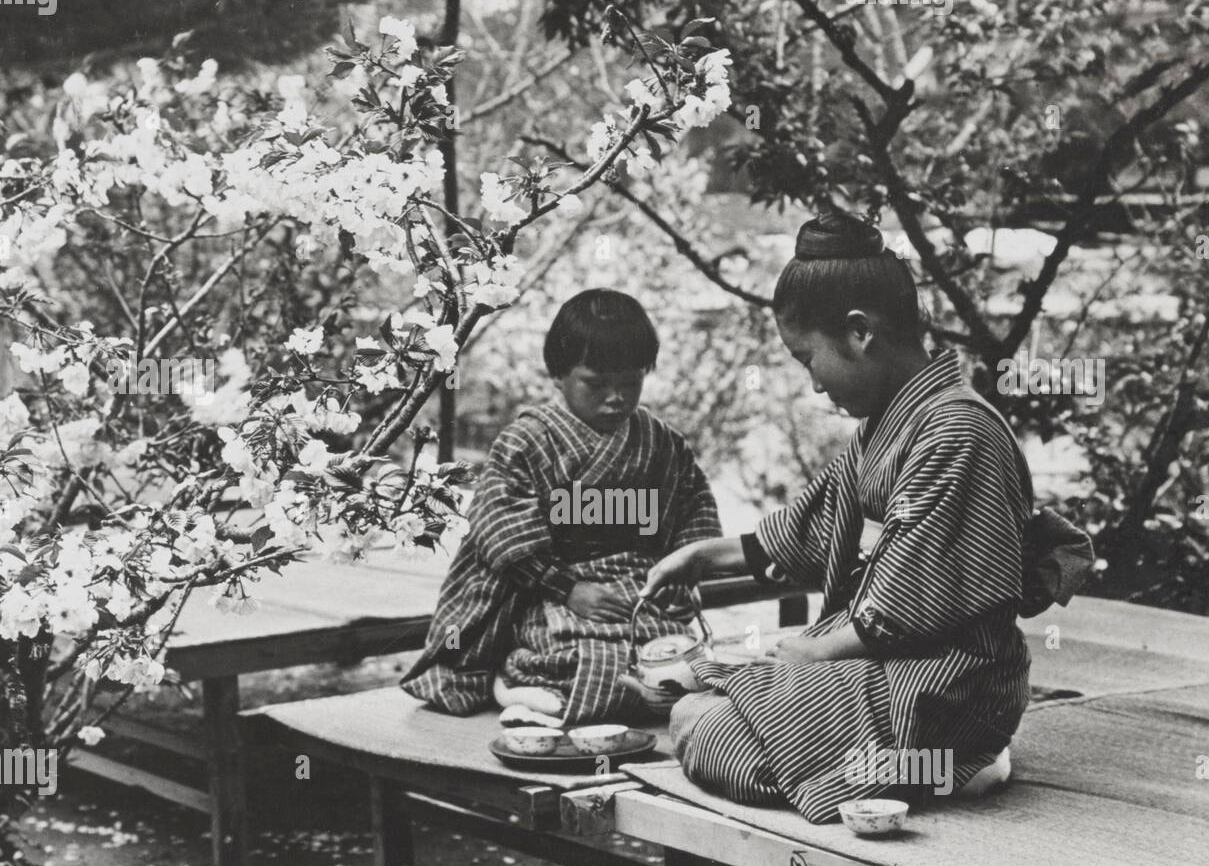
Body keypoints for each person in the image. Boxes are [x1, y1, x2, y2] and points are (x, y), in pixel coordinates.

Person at [643, 209, 1036, 823]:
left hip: (944, 687)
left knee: (706, 733)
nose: (816, 385)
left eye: (807, 360)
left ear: (859, 333)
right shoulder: (885, 424)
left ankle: (960, 762)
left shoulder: (959, 430)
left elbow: (907, 609)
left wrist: (800, 657)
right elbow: (810, 527)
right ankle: (930, 767)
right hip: (882, 664)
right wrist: (700, 557)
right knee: (691, 705)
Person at [402, 288, 721, 725]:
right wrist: (567, 588)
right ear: (558, 374)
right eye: (596, 384)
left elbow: (694, 509)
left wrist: (680, 572)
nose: (616, 399)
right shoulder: (528, 440)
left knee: (675, 659)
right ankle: (523, 681)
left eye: (630, 383)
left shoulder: (659, 442)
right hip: (551, 591)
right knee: (584, 659)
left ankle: (560, 696)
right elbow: (499, 529)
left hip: (636, 588)